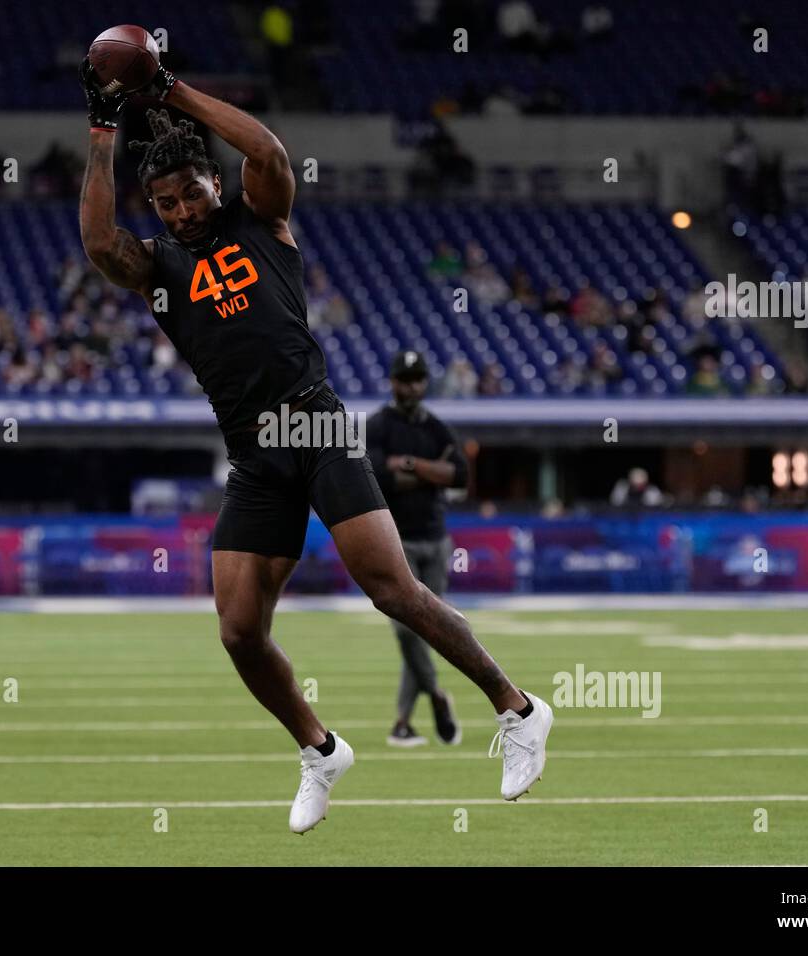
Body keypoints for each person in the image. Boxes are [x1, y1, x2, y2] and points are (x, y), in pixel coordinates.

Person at [77, 44, 552, 833]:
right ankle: (321, 749)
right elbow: (99, 242)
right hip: (254, 453)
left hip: (315, 420)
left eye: (190, 194)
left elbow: (266, 150)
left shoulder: (261, 217)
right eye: (163, 204)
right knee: (237, 630)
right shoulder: (159, 267)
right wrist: (100, 126)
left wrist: (171, 89)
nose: (181, 212)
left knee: (388, 585)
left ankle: (518, 708)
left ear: (212, 183)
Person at [366, 350, 467, 748]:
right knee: (408, 629)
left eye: (418, 379)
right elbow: (376, 477)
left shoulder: (436, 426)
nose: (411, 386)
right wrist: (431, 472)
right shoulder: (377, 425)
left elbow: (460, 474)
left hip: (436, 538)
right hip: (396, 540)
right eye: (405, 379)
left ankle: (402, 723)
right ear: (393, 381)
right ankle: (438, 696)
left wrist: (408, 465)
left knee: (426, 629)